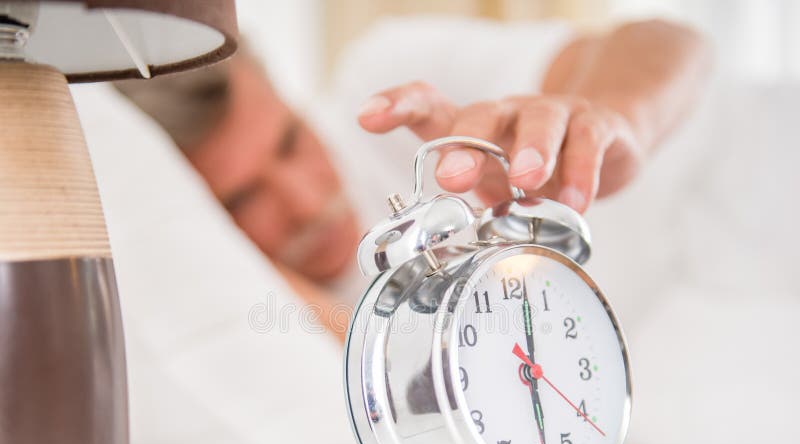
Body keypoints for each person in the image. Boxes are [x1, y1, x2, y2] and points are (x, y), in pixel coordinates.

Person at [117, 18, 710, 340]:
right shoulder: (249, 312)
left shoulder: (387, 88)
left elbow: (671, 40)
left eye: (291, 141)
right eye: (242, 198)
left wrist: (608, 119)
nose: (301, 202)